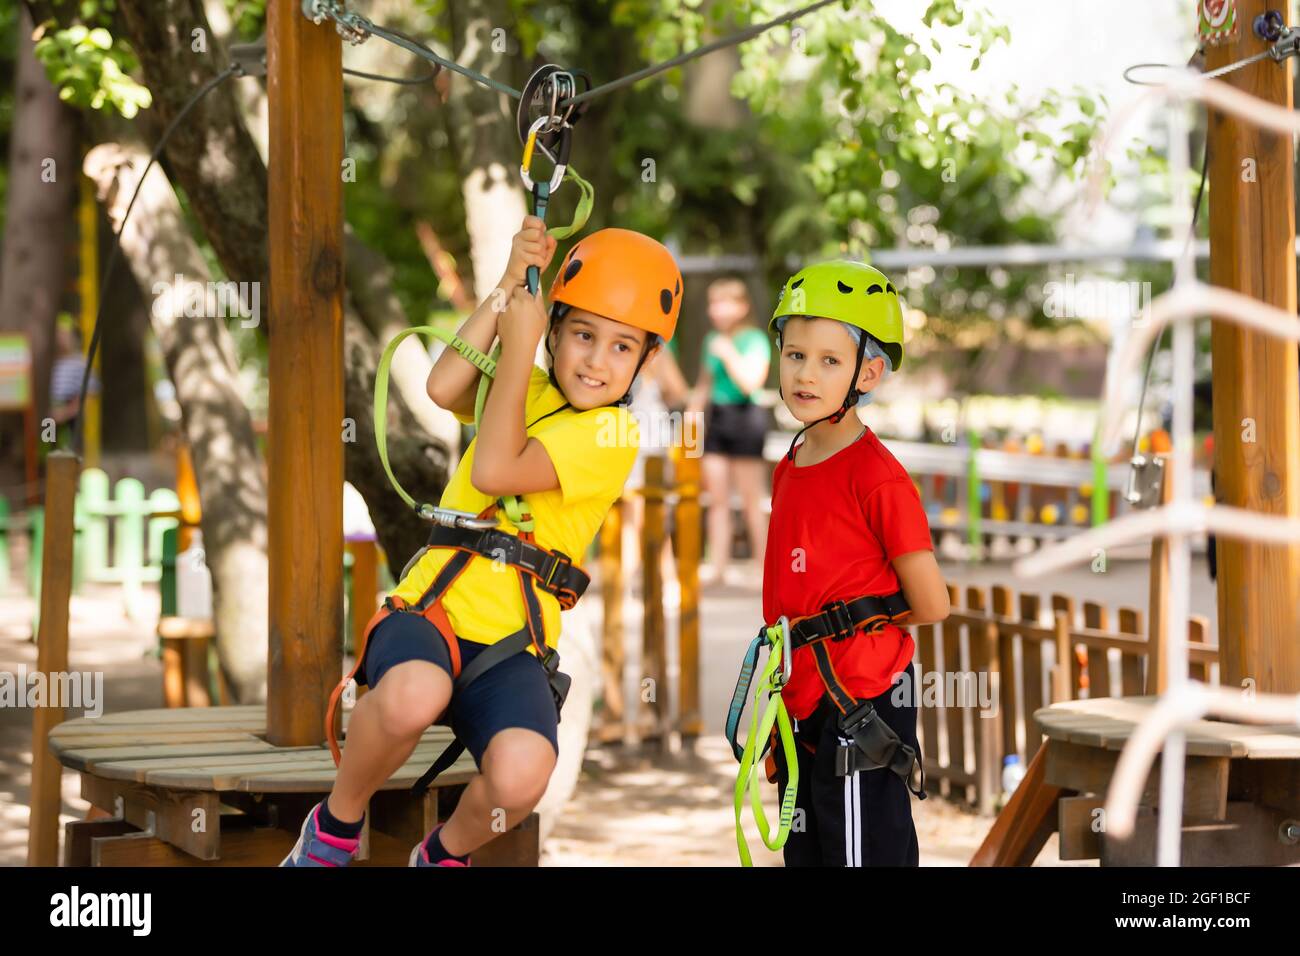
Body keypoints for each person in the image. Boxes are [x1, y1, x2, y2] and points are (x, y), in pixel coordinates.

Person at [281, 219, 682, 867]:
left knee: (525, 772)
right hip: (433, 610)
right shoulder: (529, 385)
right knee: (414, 693)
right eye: (582, 334)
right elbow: (444, 387)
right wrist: (502, 291)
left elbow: (497, 469)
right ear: (553, 328)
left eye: (620, 347)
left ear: (646, 360)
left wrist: (519, 353)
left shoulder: (613, 436)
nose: (595, 360)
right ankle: (333, 827)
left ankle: (440, 855)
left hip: (512, 642)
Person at [761, 260, 949, 866]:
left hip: (863, 700)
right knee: (808, 855)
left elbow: (932, 603)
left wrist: (848, 623)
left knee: (861, 858)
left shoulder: (878, 478)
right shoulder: (790, 466)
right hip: (800, 695)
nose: (805, 374)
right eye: (794, 355)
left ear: (868, 372)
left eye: (828, 360)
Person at [687, 277, 772, 587]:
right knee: (717, 499)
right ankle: (718, 566)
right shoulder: (712, 340)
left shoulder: (754, 340)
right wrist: (690, 424)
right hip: (718, 420)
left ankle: (763, 567)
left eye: (723, 303)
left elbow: (751, 383)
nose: (716, 310)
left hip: (747, 418)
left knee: (752, 500)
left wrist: (728, 354)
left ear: (741, 307)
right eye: (713, 303)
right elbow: (704, 386)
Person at [47, 318, 100, 453]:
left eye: (65, 334)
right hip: (51, 410)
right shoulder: (48, 363)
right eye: (58, 334)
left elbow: (91, 392)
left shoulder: (80, 362)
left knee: (73, 446)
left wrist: (67, 411)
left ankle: (73, 460)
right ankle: (48, 460)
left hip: (72, 410)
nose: (61, 339)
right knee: (49, 439)